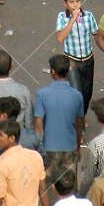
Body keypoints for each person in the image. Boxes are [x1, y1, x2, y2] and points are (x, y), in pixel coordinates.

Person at [34, 55, 86, 196]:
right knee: (69, 189)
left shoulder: (42, 94)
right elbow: (79, 124)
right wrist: (78, 146)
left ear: (52, 72)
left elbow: (39, 124)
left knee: (48, 189)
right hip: (70, 148)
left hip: (49, 148)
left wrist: (37, 149)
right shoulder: (76, 95)